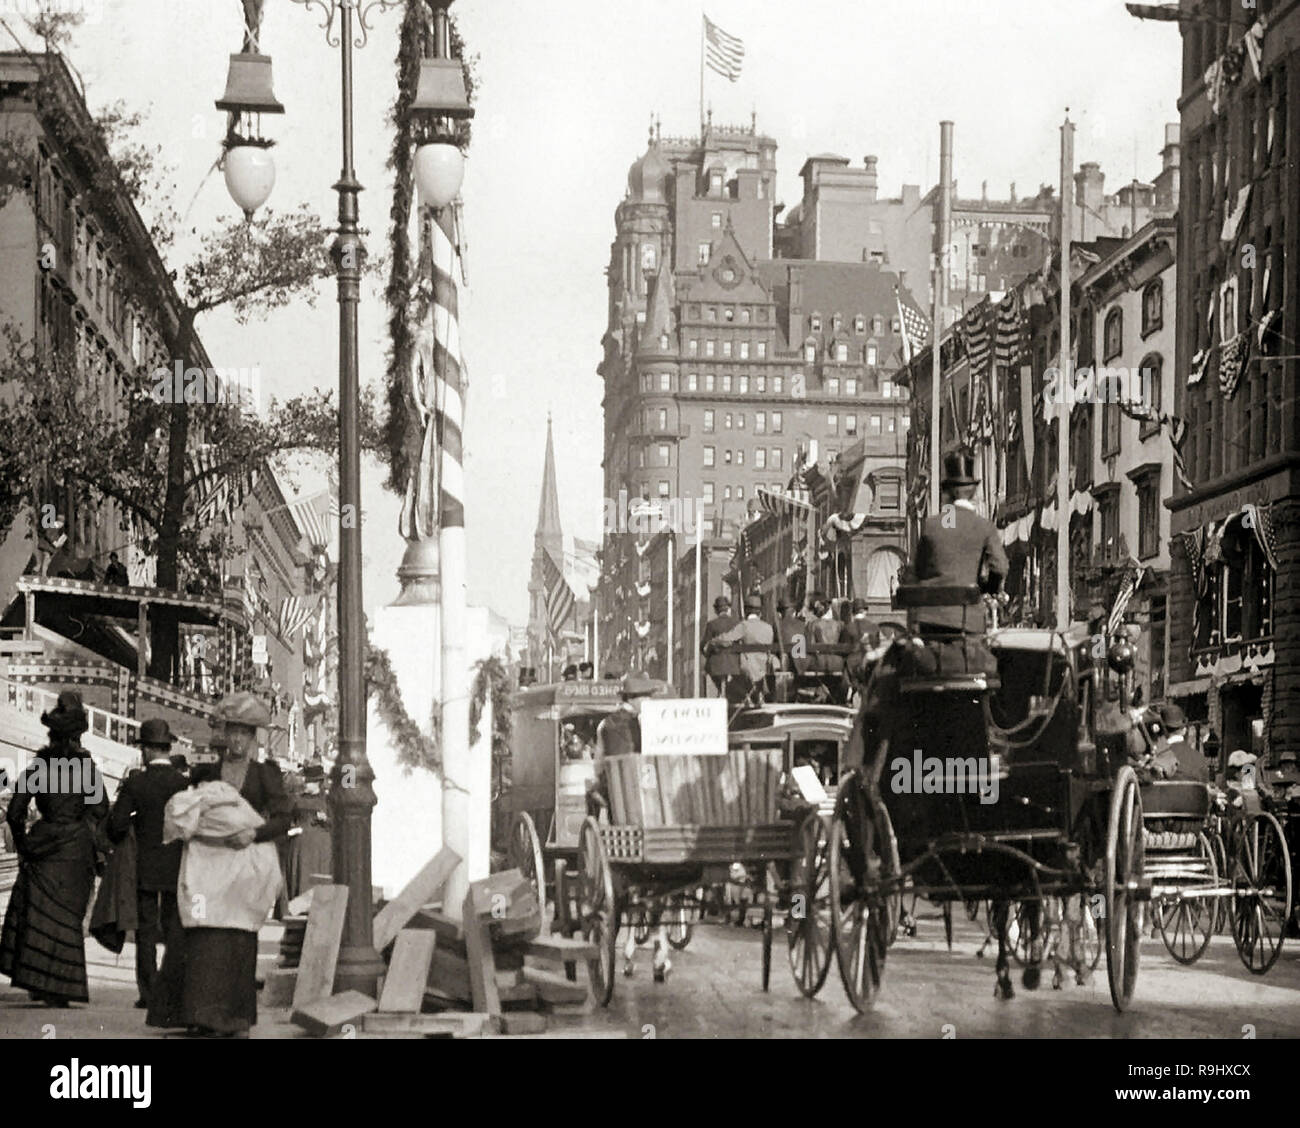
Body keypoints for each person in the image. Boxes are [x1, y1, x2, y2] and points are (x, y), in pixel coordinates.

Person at [150, 692, 291, 1036]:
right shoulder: (206, 772)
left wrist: (252, 836)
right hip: (206, 868)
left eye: (244, 734)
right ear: (224, 735)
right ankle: (199, 1016)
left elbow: (284, 819)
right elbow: (189, 809)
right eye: (232, 733)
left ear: (252, 738)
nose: (237, 740)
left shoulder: (264, 775)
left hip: (243, 870)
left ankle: (234, 1020)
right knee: (200, 937)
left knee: (237, 938)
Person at [0, 691, 109, 1007]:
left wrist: (24, 847)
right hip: (75, 850)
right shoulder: (86, 770)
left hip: (43, 846)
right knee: (67, 920)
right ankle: (61, 986)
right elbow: (101, 808)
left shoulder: (39, 768)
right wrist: (81, 822)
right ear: (77, 735)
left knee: (41, 918)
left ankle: (38, 982)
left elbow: (16, 811)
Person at [106, 719, 188, 1011]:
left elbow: (116, 826)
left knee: (146, 931)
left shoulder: (136, 782)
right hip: (176, 866)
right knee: (173, 929)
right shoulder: (183, 784)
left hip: (144, 867)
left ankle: (149, 992)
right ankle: (171, 990)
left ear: (150, 751)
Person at [715, 595, 777, 705]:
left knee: (732, 677)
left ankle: (746, 698)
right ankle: (757, 696)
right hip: (765, 666)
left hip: (749, 668)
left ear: (747, 610)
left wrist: (715, 640)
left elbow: (727, 638)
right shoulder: (768, 628)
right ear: (759, 612)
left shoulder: (744, 626)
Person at [701, 595, 741, 698]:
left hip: (716, 664)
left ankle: (721, 691)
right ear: (728, 609)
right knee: (731, 683)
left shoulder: (711, 624)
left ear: (716, 610)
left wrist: (708, 654)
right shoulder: (736, 623)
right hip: (734, 664)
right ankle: (727, 693)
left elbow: (703, 645)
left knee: (710, 671)